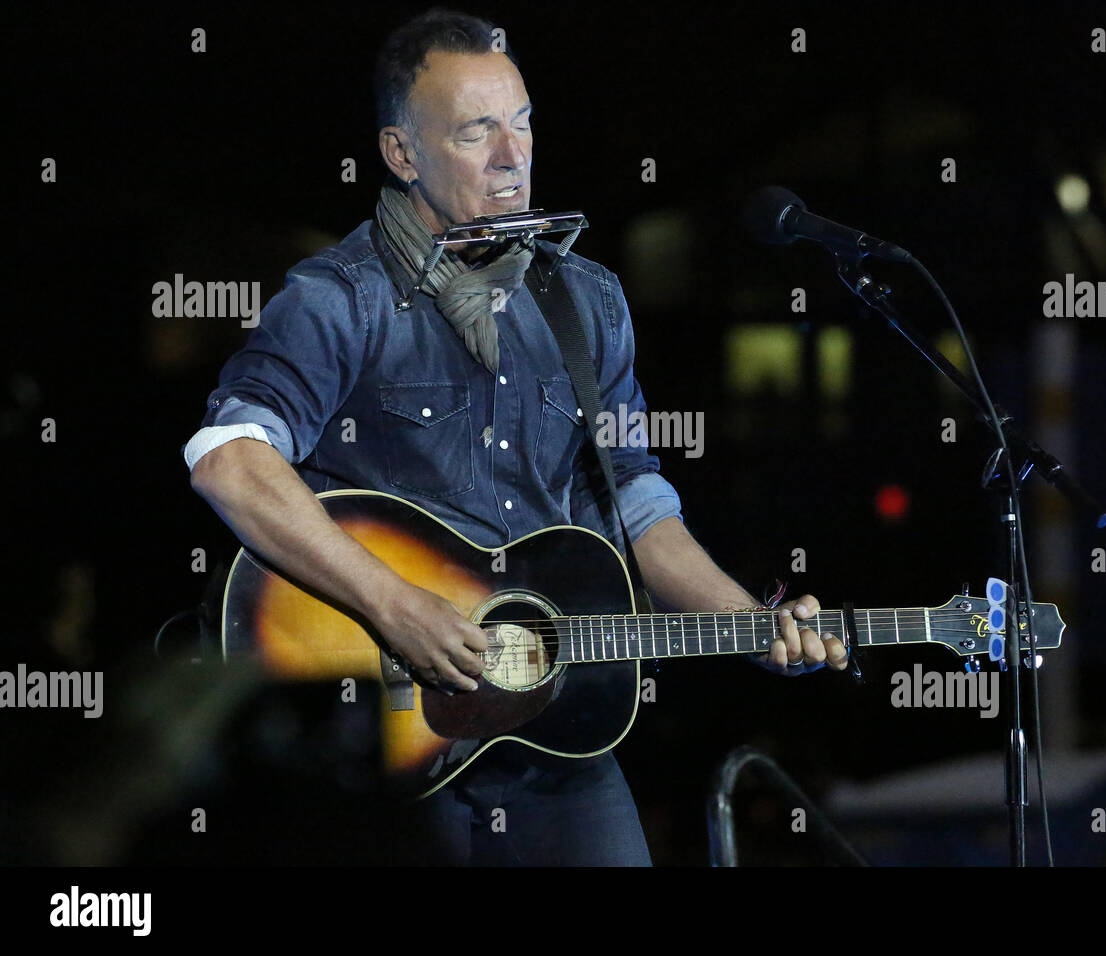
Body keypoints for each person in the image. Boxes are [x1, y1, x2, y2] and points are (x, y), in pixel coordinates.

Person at [185, 7, 848, 865]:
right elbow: (228, 461)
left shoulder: (586, 300)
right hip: (378, 747)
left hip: (552, 729)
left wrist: (751, 624)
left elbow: (636, 503)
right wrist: (397, 604)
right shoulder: (337, 298)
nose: (513, 155)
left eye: (523, 121)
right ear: (402, 154)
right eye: (476, 131)